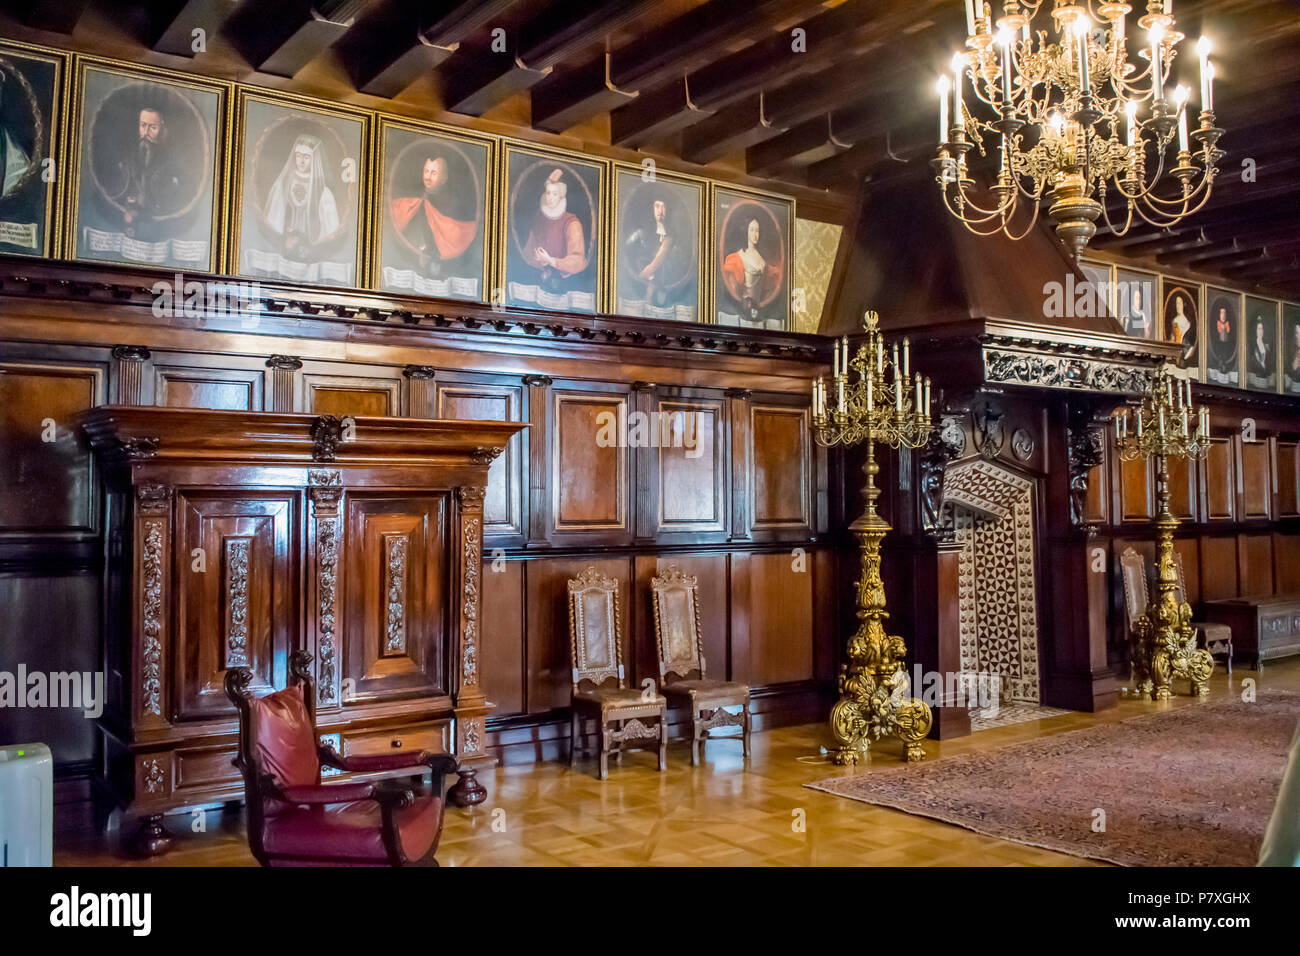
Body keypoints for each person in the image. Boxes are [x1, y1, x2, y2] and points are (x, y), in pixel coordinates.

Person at [101, 105, 184, 237]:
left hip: (157, 224)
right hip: (121, 220)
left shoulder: (171, 160)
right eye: (143, 125)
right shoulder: (125, 155)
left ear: (162, 129)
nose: (146, 132)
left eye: (153, 127)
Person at [388, 155, 476, 277]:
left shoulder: (452, 205)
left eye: (434, 173)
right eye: (426, 171)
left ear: (444, 178)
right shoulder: (413, 198)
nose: (428, 177)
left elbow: (456, 235)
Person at [263, 134, 339, 259]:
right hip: (285, 245)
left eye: (306, 157)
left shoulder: (322, 191)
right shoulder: (283, 184)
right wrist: (285, 237)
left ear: (314, 159)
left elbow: (330, 229)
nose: (301, 161)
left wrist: (313, 243)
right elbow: (273, 219)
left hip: (311, 249)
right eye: (298, 156)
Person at [523, 168, 587, 291]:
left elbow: (578, 261)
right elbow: (528, 252)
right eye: (548, 193)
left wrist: (551, 261)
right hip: (538, 284)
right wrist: (538, 260)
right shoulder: (538, 219)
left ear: (561, 196)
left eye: (554, 194)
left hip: (564, 286)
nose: (550, 198)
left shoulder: (572, 223)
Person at [624, 196, 687, 308]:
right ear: (652, 209)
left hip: (665, 278)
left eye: (663, 207)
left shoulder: (672, 234)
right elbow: (630, 249)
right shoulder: (642, 232)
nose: (660, 211)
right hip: (645, 276)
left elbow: (678, 258)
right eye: (657, 206)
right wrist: (645, 270)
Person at [721, 217, 779, 322]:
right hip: (742, 312)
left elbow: (767, 288)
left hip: (759, 312)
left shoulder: (763, 258)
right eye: (752, 230)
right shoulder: (738, 257)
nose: (755, 234)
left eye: (757, 230)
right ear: (746, 232)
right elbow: (733, 288)